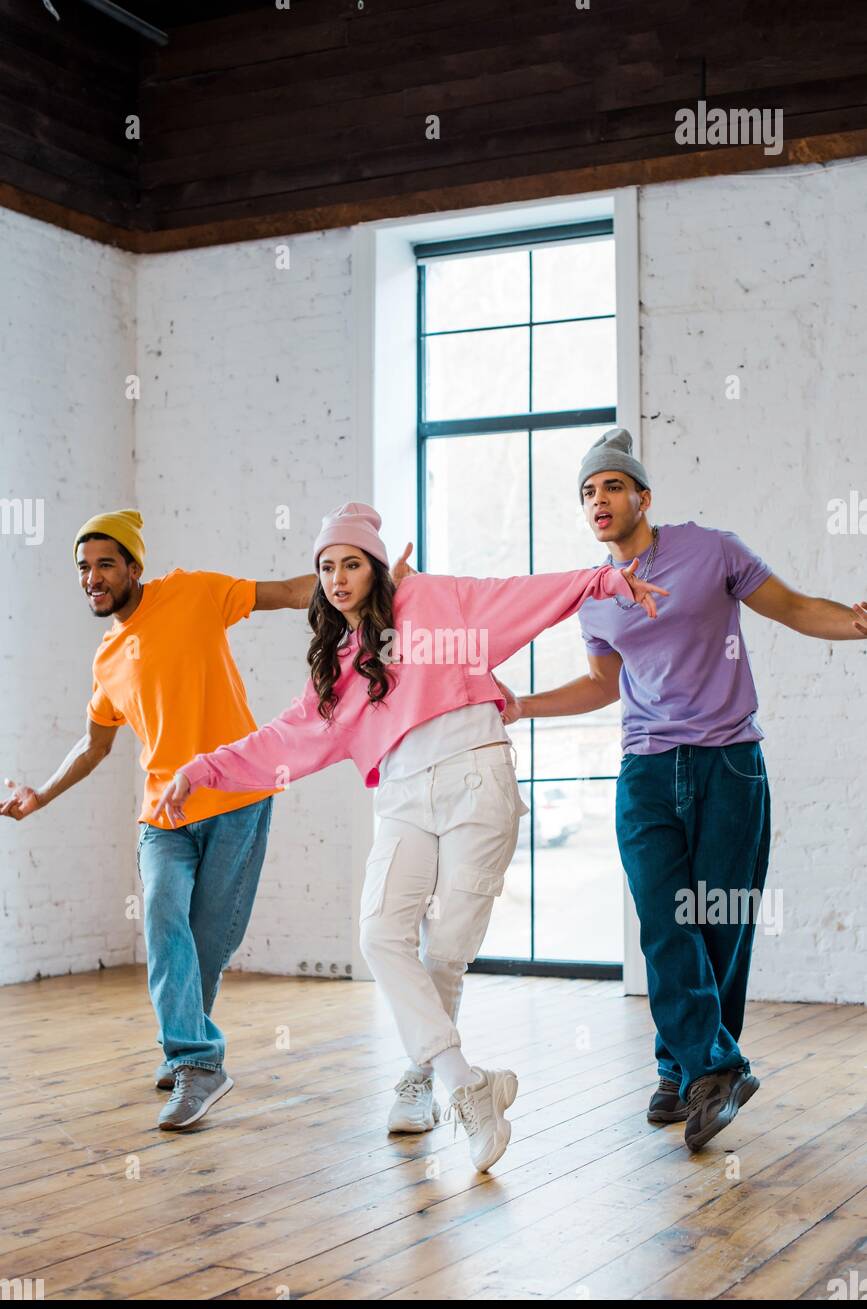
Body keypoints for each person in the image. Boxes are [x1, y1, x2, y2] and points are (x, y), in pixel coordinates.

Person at [156, 501, 667, 1171]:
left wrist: (602, 581)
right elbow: (283, 737)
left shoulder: (430, 599)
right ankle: (464, 1083)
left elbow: (512, 598)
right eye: (325, 568)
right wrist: (203, 768)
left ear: (373, 566)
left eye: (350, 564)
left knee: (446, 950)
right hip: (400, 793)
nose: (337, 579)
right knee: (380, 934)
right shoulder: (337, 661)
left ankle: (422, 1080)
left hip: (475, 774)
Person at [497, 428, 867, 1153]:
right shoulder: (596, 596)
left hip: (727, 763)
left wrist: (857, 624)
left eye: (609, 485)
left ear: (642, 496)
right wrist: (523, 706)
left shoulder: (711, 550)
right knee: (666, 922)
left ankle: (679, 1069)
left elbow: (791, 606)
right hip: (645, 771)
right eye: (585, 491)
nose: (596, 500)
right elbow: (604, 685)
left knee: (719, 923)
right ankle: (714, 1068)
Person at [0, 508, 411, 1131]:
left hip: (240, 796)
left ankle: (186, 1044)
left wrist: (376, 583)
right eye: (84, 568)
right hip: (163, 813)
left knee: (209, 939)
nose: (93, 577)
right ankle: (197, 1059)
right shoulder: (107, 660)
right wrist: (40, 796)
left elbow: (291, 591)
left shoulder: (193, 591)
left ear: (135, 566)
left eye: (106, 563)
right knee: (164, 916)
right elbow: (93, 748)